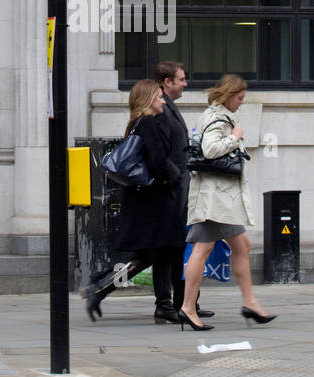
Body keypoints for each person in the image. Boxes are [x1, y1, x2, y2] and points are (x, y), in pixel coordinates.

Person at [180, 73, 277, 332]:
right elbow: (211, 150)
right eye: (240, 98)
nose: (242, 103)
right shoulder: (217, 118)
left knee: (242, 245)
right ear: (229, 95)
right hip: (214, 200)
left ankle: (250, 303)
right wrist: (235, 136)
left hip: (222, 200)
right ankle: (188, 307)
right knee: (202, 250)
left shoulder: (219, 116)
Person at [88, 79, 186, 324]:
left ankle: (165, 305)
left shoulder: (136, 123)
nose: (163, 100)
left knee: (162, 252)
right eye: (158, 97)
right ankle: (100, 288)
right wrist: (177, 175)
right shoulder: (149, 124)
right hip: (155, 200)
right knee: (152, 253)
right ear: (147, 100)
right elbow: (158, 162)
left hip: (149, 198)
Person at [153, 60, 213, 321]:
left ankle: (184, 302)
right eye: (181, 79)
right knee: (167, 250)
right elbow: (160, 153)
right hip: (169, 192)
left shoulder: (170, 108)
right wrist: (177, 176)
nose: (185, 83)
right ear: (167, 82)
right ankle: (166, 305)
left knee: (178, 248)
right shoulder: (160, 109)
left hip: (178, 190)